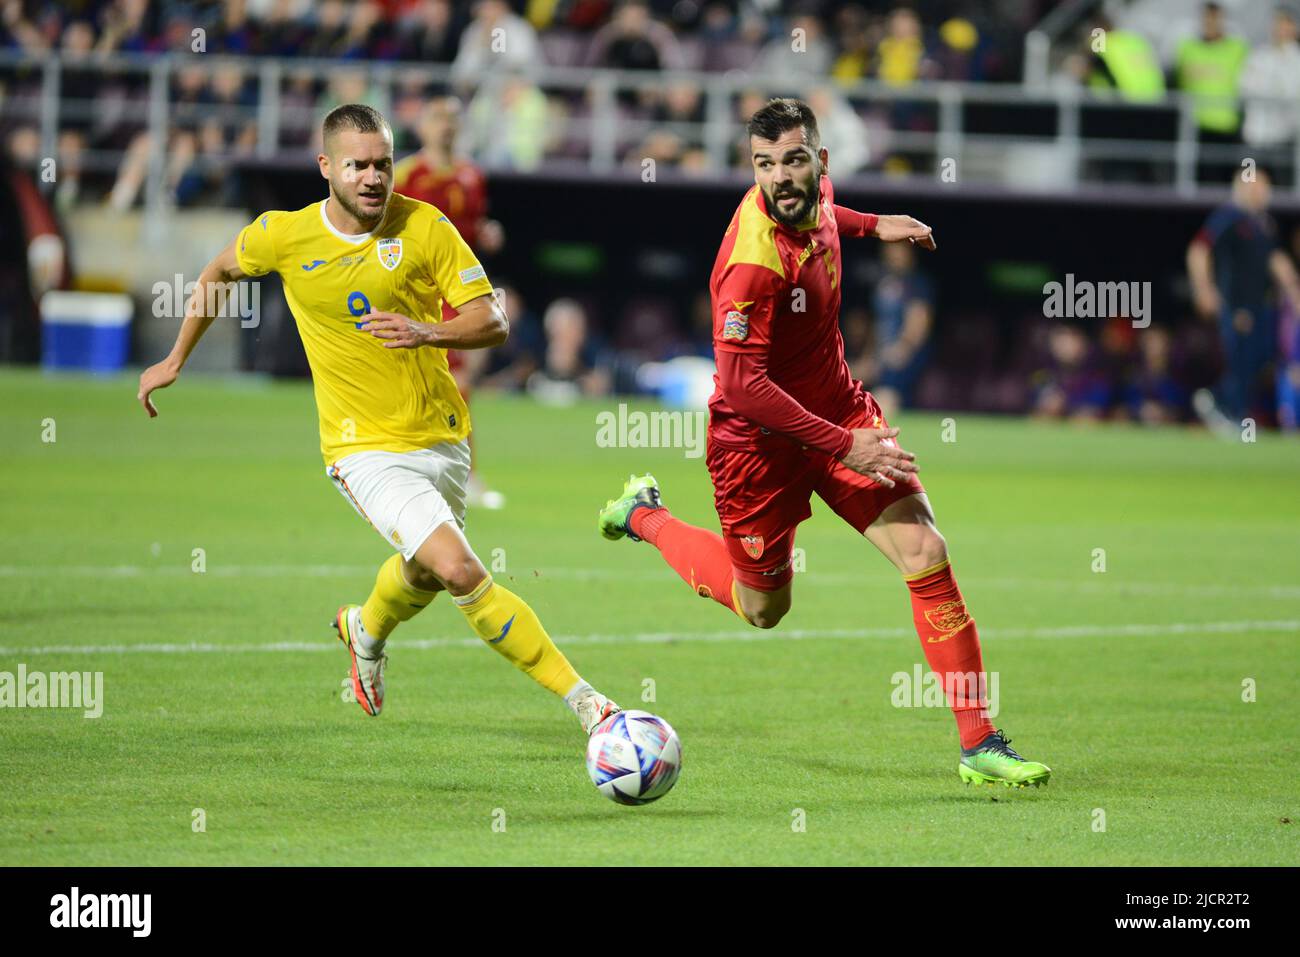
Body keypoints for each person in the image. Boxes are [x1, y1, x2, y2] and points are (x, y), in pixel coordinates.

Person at [597, 98, 1050, 789]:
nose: (779, 177)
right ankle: (642, 514)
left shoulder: (817, 195)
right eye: (764, 164)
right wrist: (845, 446)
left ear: (820, 162)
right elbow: (744, 387)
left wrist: (876, 225)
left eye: (792, 160)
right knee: (762, 609)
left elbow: (826, 213)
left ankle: (979, 741)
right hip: (756, 445)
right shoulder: (749, 264)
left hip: (836, 407)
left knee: (926, 549)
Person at [136, 104, 621, 734]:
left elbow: (493, 320)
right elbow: (219, 271)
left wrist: (428, 329)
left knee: (422, 572)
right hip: (361, 448)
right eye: (358, 165)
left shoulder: (424, 225)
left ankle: (364, 629)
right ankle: (591, 707)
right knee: (460, 569)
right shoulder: (284, 235)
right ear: (326, 168)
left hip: (443, 437)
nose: (372, 177)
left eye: (383, 164)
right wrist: (176, 357)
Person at [395, 96, 506, 509]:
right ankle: (442, 472)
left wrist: (487, 233)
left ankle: (462, 475)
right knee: (438, 385)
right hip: (419, 294)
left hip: (458, 293)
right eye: (439, 118)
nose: (447, 126)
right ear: (423, 126)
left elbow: (471, 233)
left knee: (460, 385)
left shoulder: (471, 176)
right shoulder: (407, 176)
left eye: (453, 119)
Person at [1187, 167, 1300, 430]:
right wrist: (1203, 288)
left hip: (1263, 305)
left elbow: (1275, 259)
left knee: (1262, 356)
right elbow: (1199, 251)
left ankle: (1226, 406)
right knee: (1241, 359)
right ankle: (1224, 406)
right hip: (1237, 304)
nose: (1264, 193)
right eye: (1258, 187)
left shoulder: (1263, 223)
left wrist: (1293, 289)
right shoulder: (1229, 217)